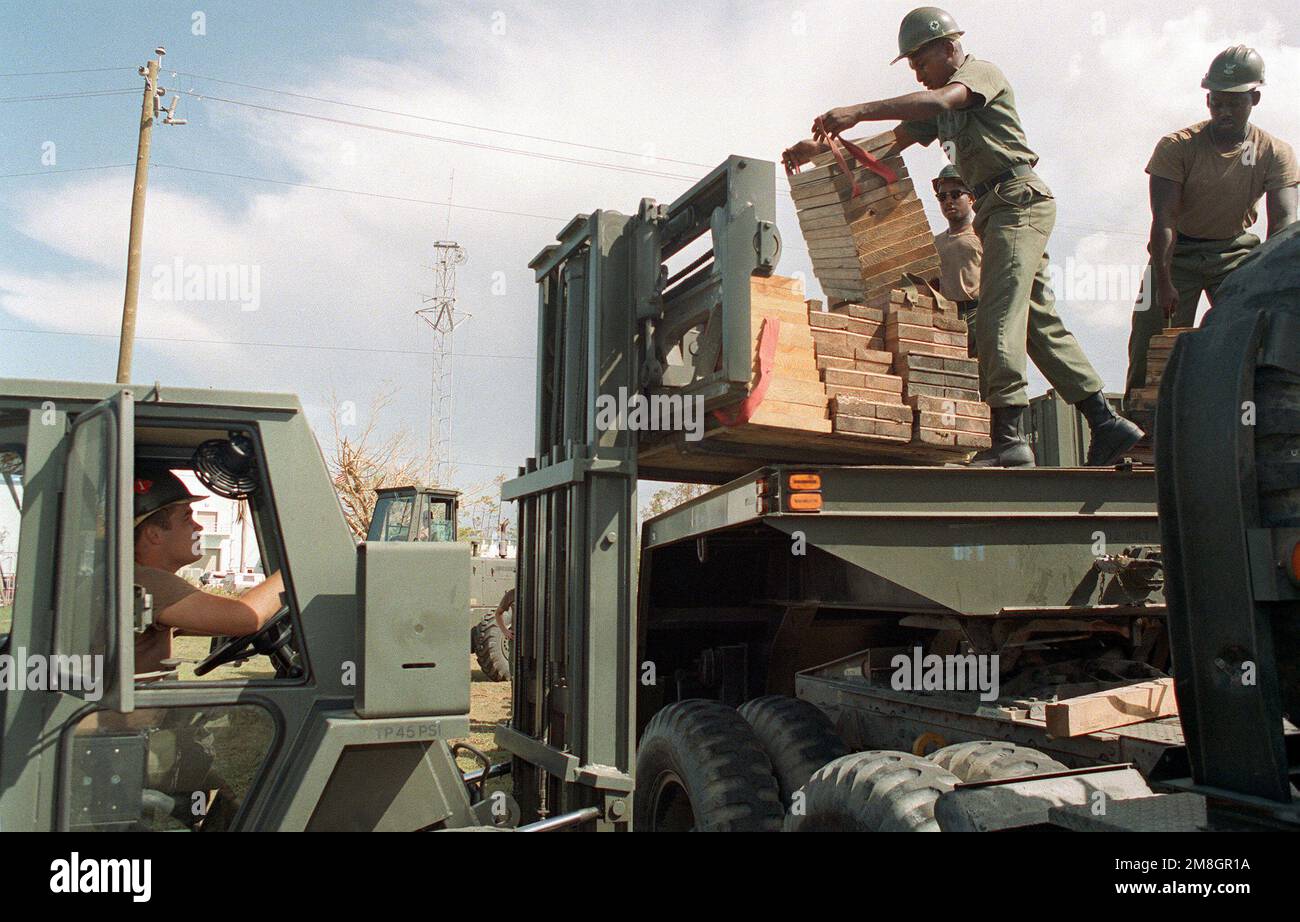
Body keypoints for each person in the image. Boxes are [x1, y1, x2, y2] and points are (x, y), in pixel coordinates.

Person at [783, 6, 1143, 467]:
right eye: (910, 63)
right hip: (996, 210)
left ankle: (1010, 438)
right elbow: (894, 140)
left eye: (919, 60)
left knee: (996, 312)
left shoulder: (978, 76)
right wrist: (818, 148)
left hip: (1019, 199)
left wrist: (858, 110)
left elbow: (937, 103)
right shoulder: (940, 103)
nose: (916, 70)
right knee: (1035, 320)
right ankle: (1105, 421)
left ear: (949, 47)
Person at [1125, 46, 1298, 396]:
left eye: (1234, 103)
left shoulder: (1274, 153)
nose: (1224, 111)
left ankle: (1255, 414)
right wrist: (1163, 280)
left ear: (1255, 99)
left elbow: (1283, 227)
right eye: (1217, 102)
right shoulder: (1177, 147)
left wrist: (1265, 285)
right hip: (1177, 252)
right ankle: (1141, 427)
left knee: (1262, 330)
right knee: (1150, 337)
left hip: (1236, 254)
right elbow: (1164, 221)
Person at [132, 464, 284, 677]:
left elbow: (222, 617)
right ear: (154, 534)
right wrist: (292, 571)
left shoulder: (140, 580)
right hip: (136, 710)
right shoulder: (149, 582)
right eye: (187, 517)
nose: (199, 527)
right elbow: (245, 617)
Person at [931, 163, 981, 357]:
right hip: (948, 316)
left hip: (978, 314)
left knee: (984, 373)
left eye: (955, 194)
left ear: (971, 198)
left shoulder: (983, 234)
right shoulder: (936, 242)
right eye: (942, 197)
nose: (948, 201)